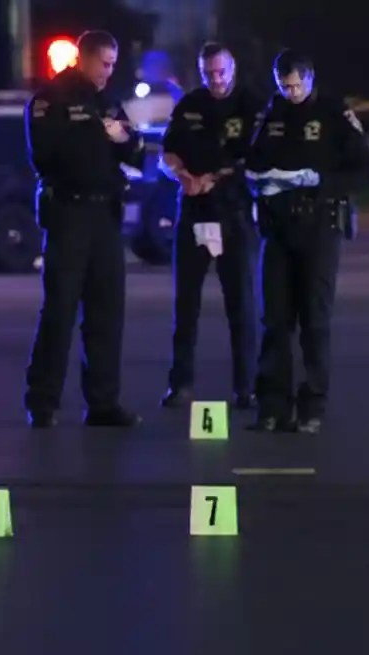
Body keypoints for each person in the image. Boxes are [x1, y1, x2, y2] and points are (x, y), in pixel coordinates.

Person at [244, 49, 369, 433]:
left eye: (296, 85)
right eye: (284, 86)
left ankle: (312, 406)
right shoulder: (273, 113)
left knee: (314, 320)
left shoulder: (335, 114)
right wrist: (260, 179)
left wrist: (319, 181)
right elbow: (252, 161)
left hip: (318, 227)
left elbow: (365, 173)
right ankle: (271, 406)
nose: (291, 92)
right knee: (275, 321)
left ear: (310, 78)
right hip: (278, 230)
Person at [23, 30, 146, 428]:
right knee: (59, 309)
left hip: (105, 216)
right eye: (104, 64)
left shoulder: (107, 101)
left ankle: (103, 402)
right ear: (84, 58)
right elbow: (45, 156)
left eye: (113, 64)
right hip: (69, 215)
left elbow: (134, 148)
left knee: (107, 312)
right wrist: (95, 135)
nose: (109, 72)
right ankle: (43, 402)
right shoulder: (50, 99)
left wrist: (122, 137)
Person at [158, 42, 264, 411]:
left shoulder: (250, 105)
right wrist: (182, 175)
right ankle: (181, 383)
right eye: (209, 73)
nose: (216, 79)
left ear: (232, 67)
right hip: (194, 214)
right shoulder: (191, 106)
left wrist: (214, 178)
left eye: (221, 71)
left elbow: (255, 158)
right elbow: (167, 151)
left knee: (243, 305)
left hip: (234, 215)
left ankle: (246, 387)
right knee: (185, 305)